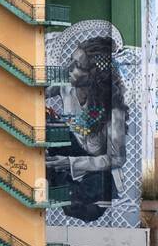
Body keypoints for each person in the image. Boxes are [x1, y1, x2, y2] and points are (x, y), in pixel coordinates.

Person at [46, 37, 128, 223]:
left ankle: (63, 187)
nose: (71, 70)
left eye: (78, 66)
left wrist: (69, 162)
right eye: (72, 62)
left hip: (96, 175)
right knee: (45, 122)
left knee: (83, 204)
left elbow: (117, 159)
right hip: (71, 156)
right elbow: (37, 92)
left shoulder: (113, 108)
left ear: (95, 74)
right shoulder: (66, 87)